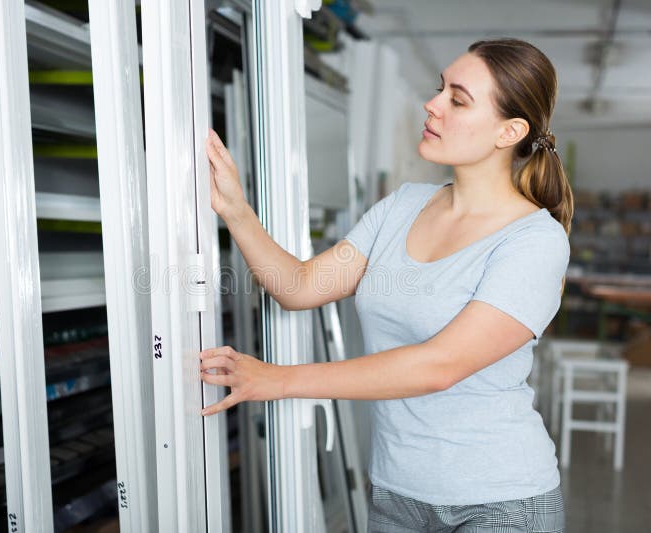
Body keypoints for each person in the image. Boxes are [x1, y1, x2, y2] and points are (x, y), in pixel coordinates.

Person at [201, 37, 572, 533]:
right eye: (440, 89)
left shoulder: (534, 241)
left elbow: (440, 365)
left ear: (510, 131)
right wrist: (235, 210)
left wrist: (278, 380)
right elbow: (298, 286)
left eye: (457, 99)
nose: (432, 104)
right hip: (396, 493)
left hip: (500, 502)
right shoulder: (403, 206)